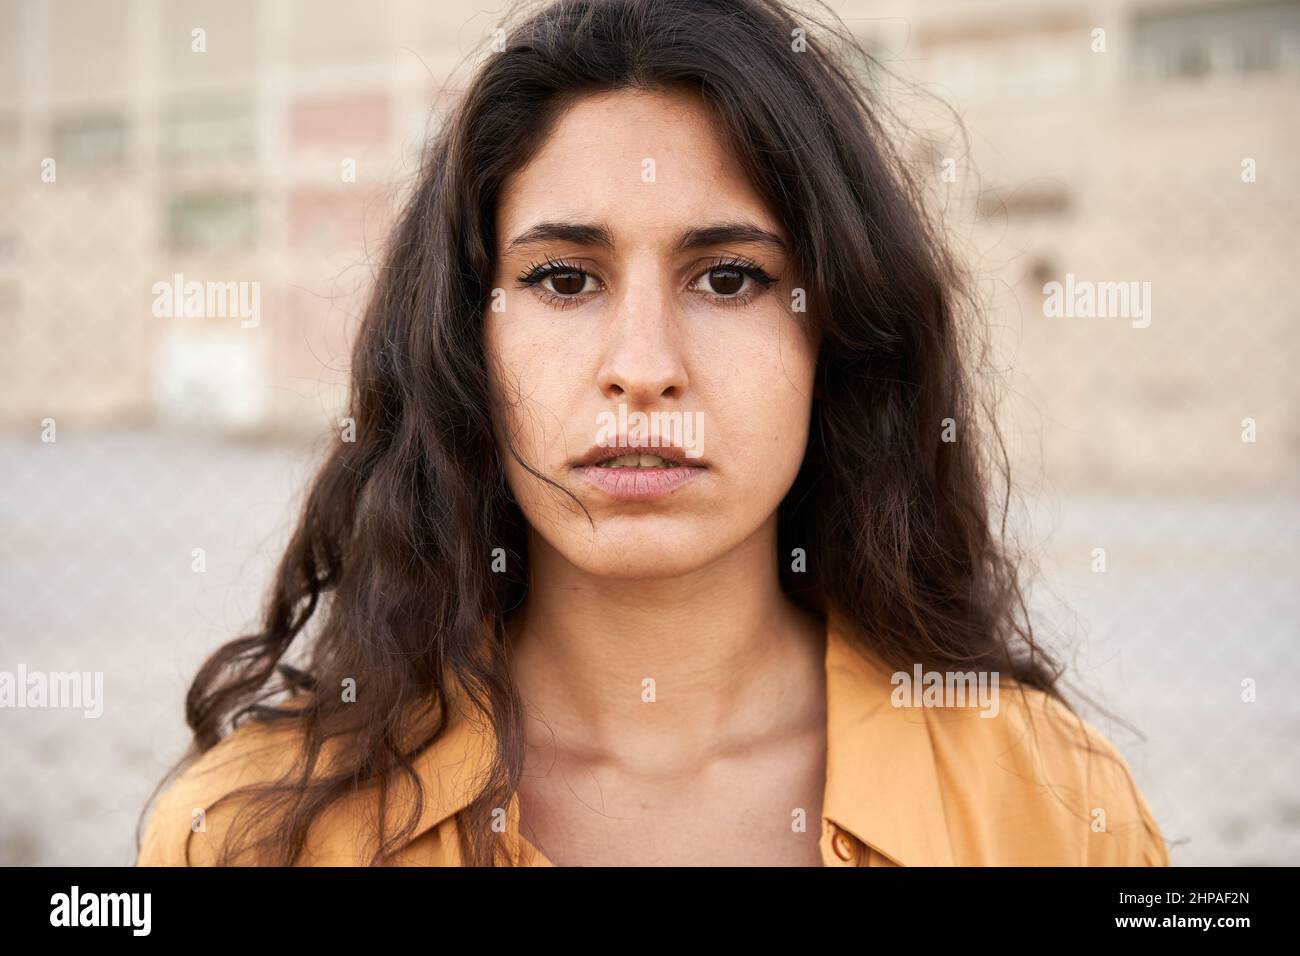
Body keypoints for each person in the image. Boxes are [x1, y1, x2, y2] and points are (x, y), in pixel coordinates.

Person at [135, 0, 1170, 867]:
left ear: (838, 340)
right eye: (562, 278)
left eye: (728, 278)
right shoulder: (252, 830)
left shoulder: (1053, 809)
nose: (642, 363)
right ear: (465, 344)